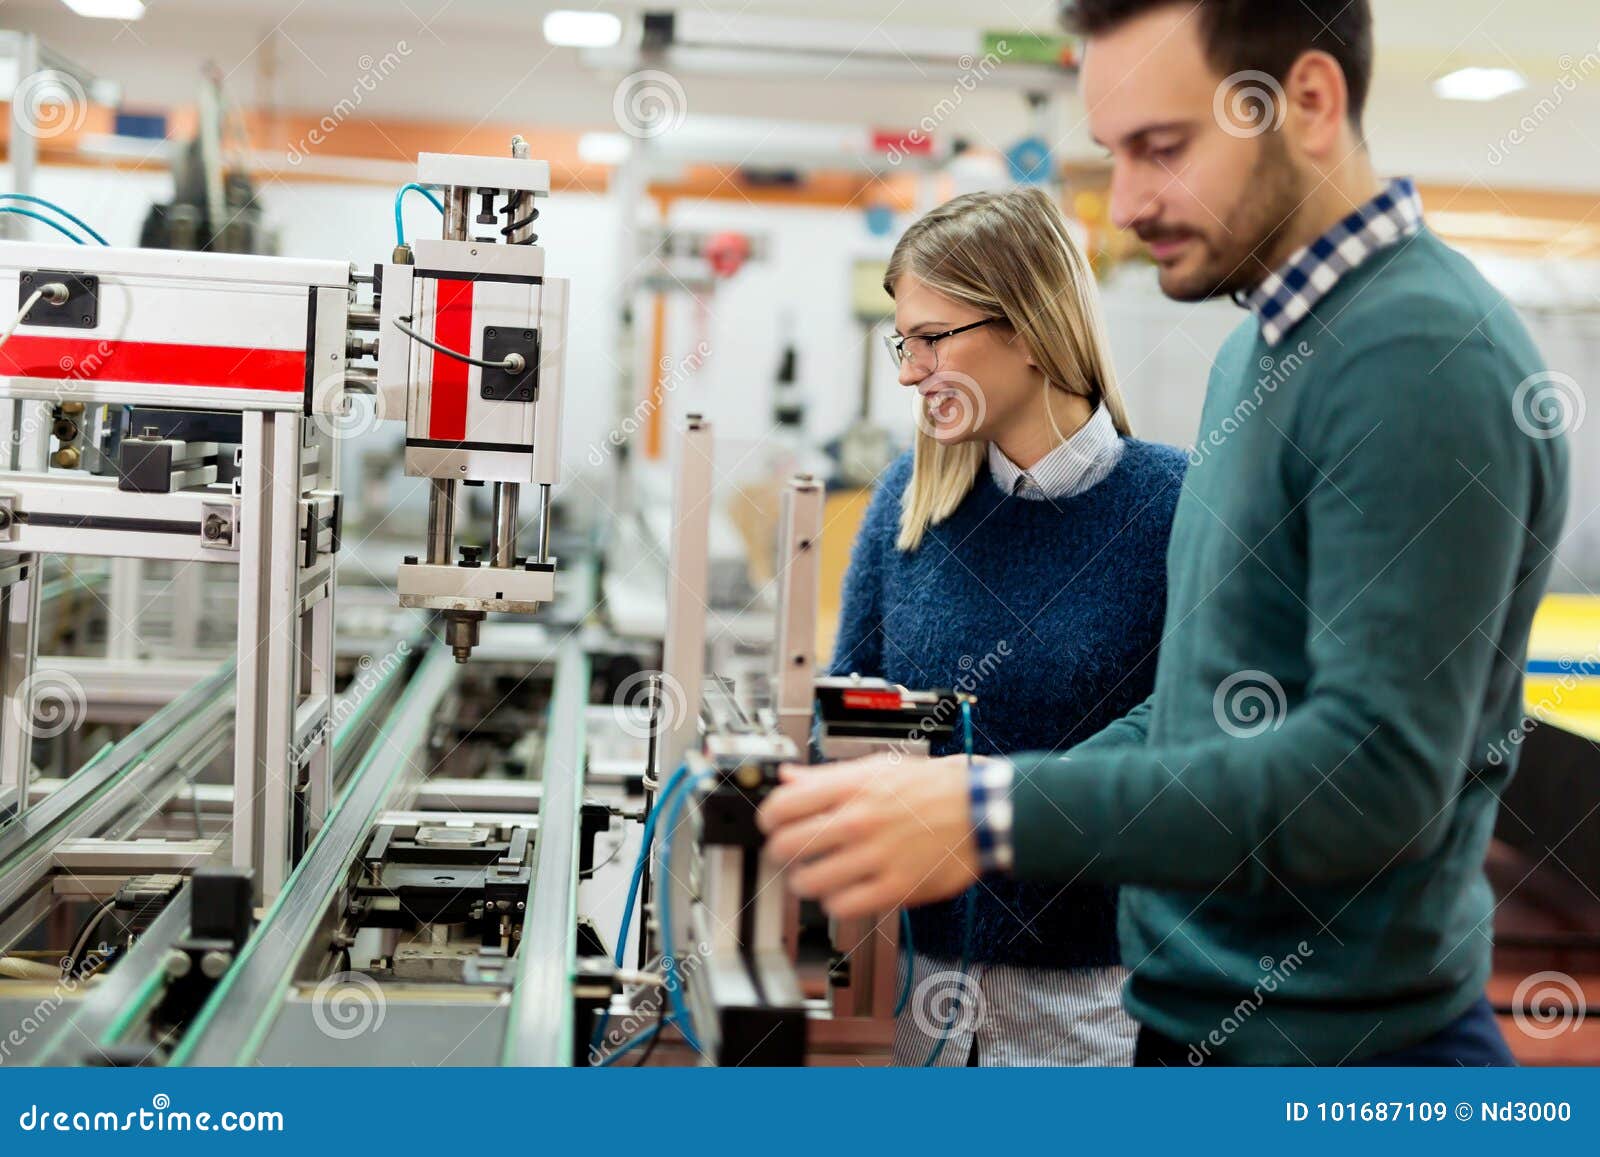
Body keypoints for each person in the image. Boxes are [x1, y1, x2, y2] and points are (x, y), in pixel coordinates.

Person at [760, 0, 1569, 1067]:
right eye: (1113, 152)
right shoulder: (1260, 353)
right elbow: (1195, 715)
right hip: (1194, 1025)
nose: (1128, 200)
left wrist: (988, 810)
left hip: (1339, 1052)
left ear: (1310, 103)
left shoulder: (1419, 355)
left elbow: (1370, 781)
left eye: (1162, 148)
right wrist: (937, 803)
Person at [828, 186, 1186, 1065]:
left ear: (1027, 328)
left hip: (1100, 1009)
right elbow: (844, 711)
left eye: (931, 340)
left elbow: (1198, 759)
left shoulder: (1178, 507)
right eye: (901, 342)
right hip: (924, 995)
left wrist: (984, 794)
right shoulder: (908, 506)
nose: (910, 373)